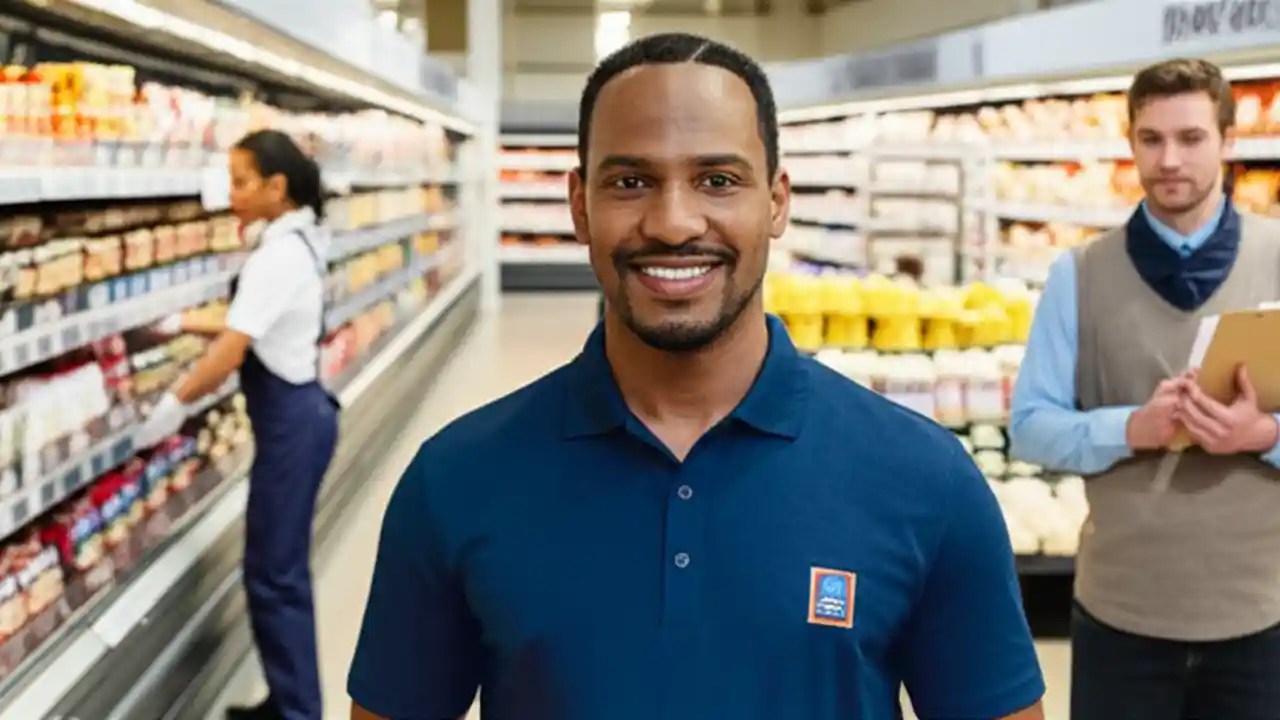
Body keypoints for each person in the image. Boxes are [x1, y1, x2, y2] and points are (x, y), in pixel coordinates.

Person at [347, 32, 1045, 720]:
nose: (674, 222)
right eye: (630, 181)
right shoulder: (456, 481)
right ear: (579, 204)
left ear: (776, 202)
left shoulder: (926, 481)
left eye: (717, 180)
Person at [1010, 58, 1280, 720]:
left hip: (1261, 614)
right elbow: (1031, 425)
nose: (1168, 159)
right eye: (1150, 139)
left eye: (1190, 138)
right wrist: (1130, 428)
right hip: (1122, 615)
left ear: (1228, 141)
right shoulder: (1079, 275)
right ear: (1128, 142)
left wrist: (1264, 436)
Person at [137, 129, 340, 720]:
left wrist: (172, 404)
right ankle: (287, 701)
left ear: (277, 187)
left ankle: (298, 712)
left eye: (242, 181)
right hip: (302, 417)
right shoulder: (294, 240)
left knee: (275, 577)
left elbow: (233, 347)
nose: (232, 194)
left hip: (292, 425)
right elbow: (248, 314)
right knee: (277, 571)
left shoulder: (279, 253)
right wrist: (178, 323)